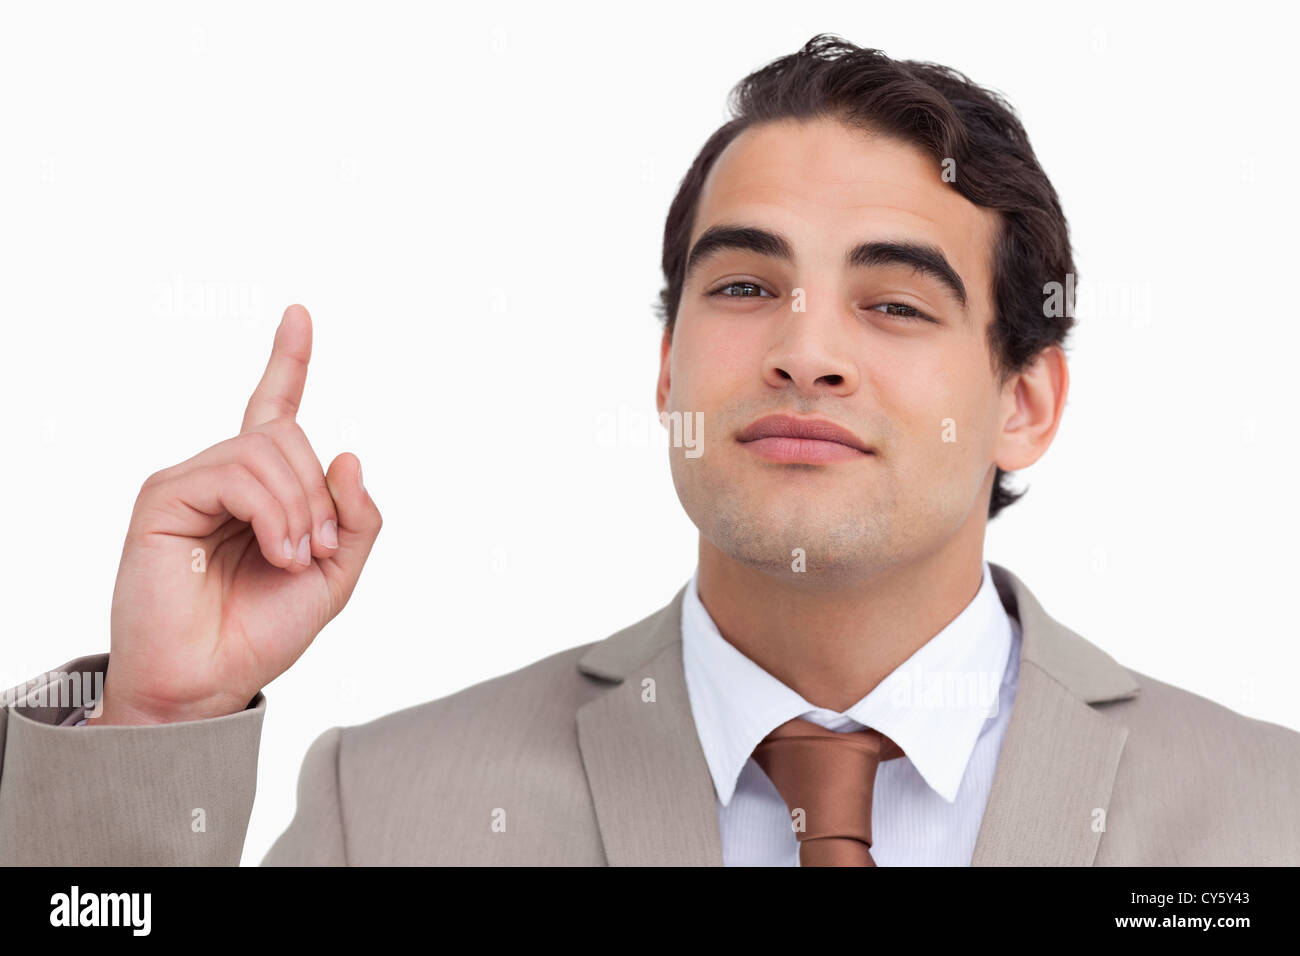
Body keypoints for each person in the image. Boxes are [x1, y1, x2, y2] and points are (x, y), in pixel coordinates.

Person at [2, 34, 1298, 866]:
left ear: (1027, 400)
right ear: (668, 363)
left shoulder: (1265, 821)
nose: (807, 350)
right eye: (743, 289)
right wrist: (155, 729)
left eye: (895, 302)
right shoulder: (390, 812)